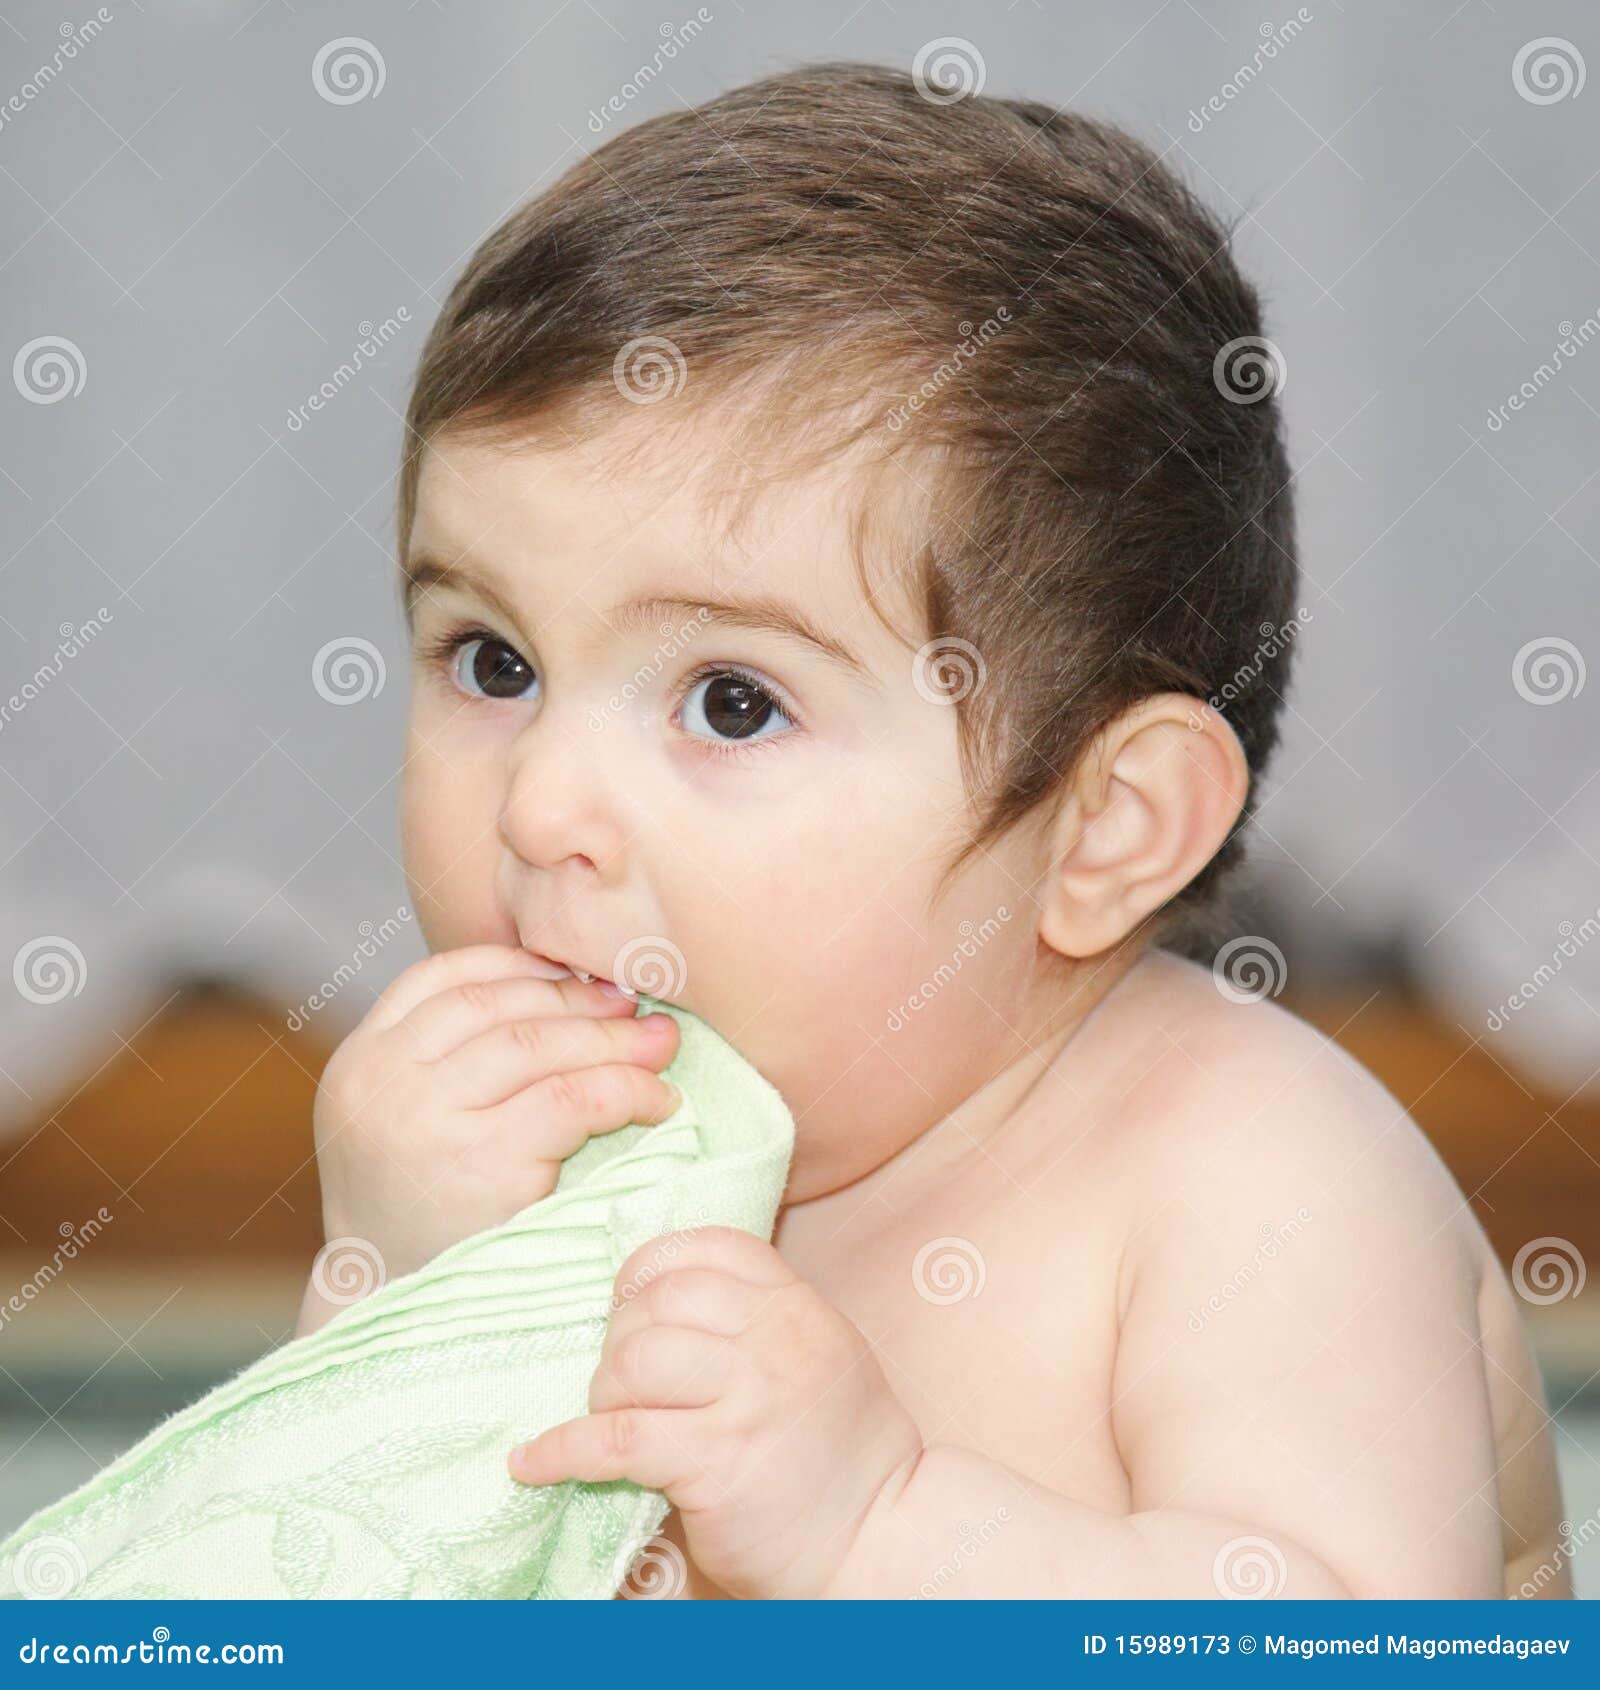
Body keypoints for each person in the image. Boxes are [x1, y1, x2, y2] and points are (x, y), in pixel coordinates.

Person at [298, 61, 1569, 1599]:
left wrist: (879, 1529)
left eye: (733, 702)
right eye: (493, 662)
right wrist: (392, 1303)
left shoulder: (1253, 1176)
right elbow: (320, 1605)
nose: (540, 808)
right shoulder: (523, 1167)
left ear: (1105, 830)